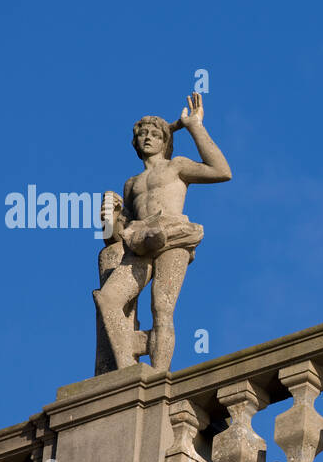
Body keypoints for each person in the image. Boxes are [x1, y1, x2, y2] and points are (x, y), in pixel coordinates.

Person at [94, 93, 231, 372]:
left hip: (172, 236)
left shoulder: (176, 166)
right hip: (139, 242)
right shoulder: (131, 184)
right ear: (135, 142)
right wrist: (108, 218)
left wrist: (194, 126)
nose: (147, 137)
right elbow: (115, 238)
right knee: (108, 299)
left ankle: (157, 377)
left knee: (161, 307)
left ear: (164, 140)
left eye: (155, 133)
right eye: (142, 133)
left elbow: (221, 171)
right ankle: (125, 371)